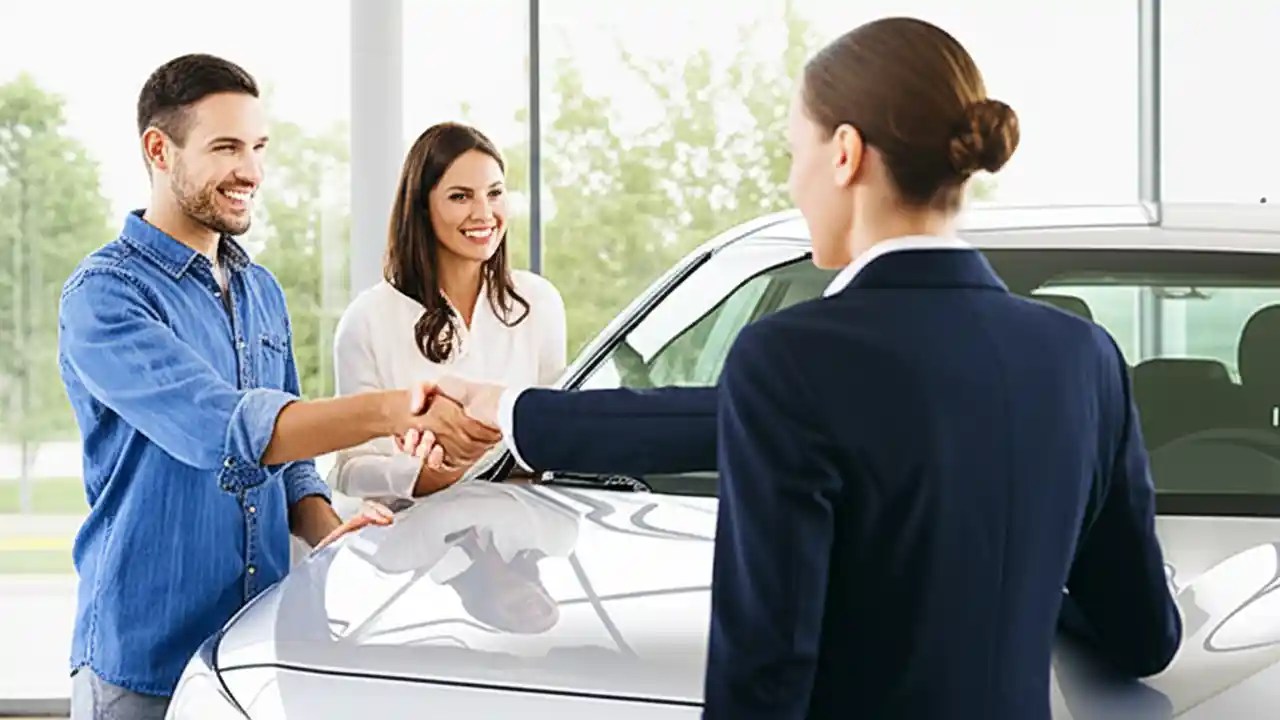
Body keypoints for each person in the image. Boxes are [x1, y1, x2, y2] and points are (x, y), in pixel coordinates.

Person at [404, 17, 1183, 720]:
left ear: (843, 153)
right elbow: (1145, 636)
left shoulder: (793, 355)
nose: (792, 180)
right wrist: (1016, 586)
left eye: (793, 152)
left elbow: (767, 670)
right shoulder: (1084, 358)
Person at [56, 54, 430, 719]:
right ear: (158, 150)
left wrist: (326, 528)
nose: (252, 171)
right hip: (145, 664)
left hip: (254, 655)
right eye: (226, 147)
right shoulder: (105, 296)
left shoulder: (260, 290)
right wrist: (396, 408)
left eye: (258, 147)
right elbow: (227, 429)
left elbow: (287, 465)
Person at [329, 122, 566, 502]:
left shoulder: (538, 302)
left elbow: (558, 433)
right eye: (460, 197)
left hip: (518, 539)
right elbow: (349, 469)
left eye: (495, 193)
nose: (484, 213)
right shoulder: (368, 319)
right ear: (422, 206)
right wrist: (428, 474)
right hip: (410, 544)